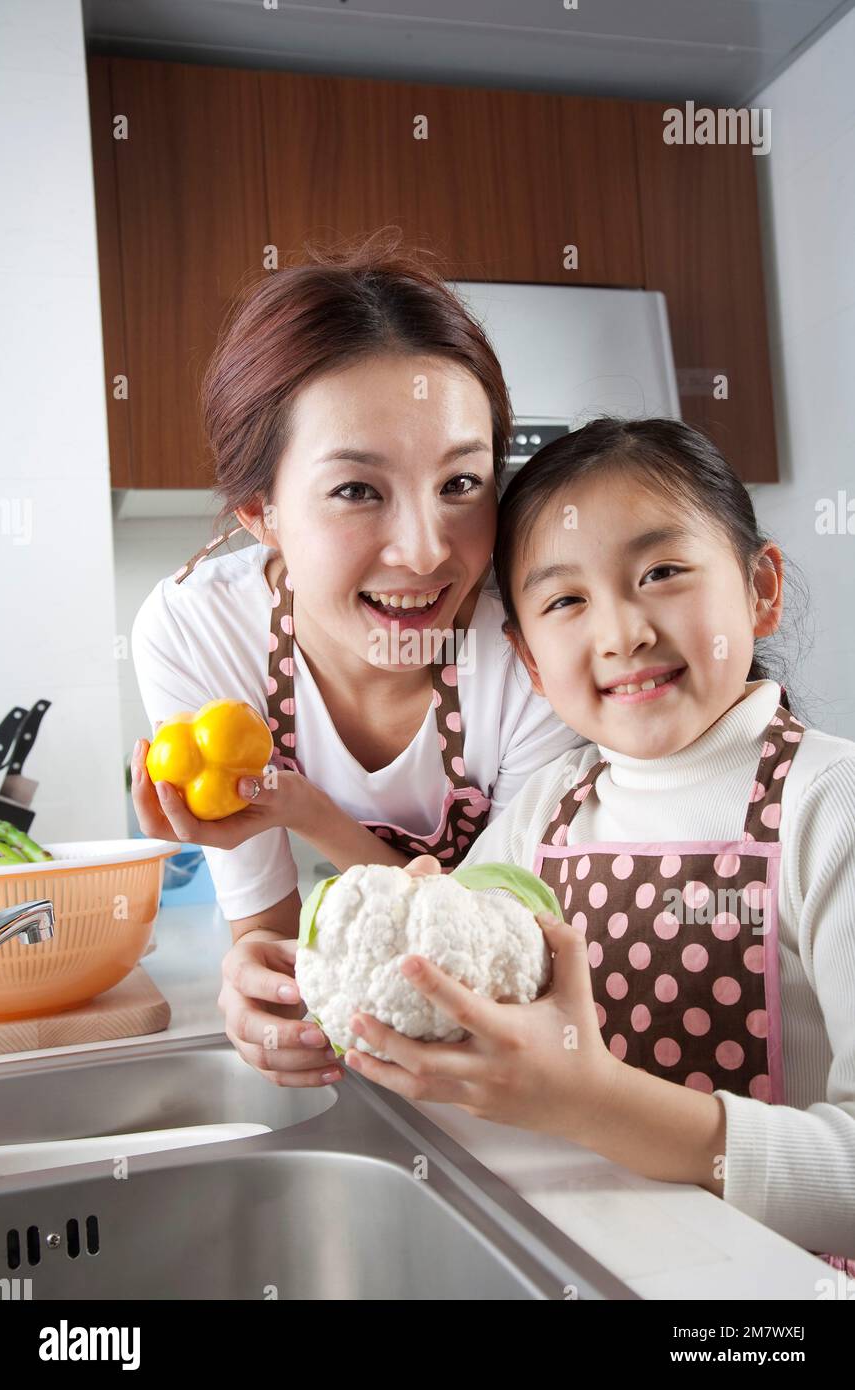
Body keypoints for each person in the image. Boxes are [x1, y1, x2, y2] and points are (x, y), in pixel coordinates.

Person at [343, 417, 855, 1271]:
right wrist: (295, 989)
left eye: (661, 573)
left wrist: (594, 1102)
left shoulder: (829, 806)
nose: (622, 633)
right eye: (566, 601)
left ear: (760, 588)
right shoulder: (545, 812)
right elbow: (427, 995)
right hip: (595, 1266)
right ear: (531, 662)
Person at [130, 233, 585, 1090]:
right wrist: (261, 992)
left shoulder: (535, 638)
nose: (424, 552)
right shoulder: (198, 633)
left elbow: (504, 959)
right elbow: (265, 933)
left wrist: (304, 812)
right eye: (356, 490)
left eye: (460, 484)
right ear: (260, 509)